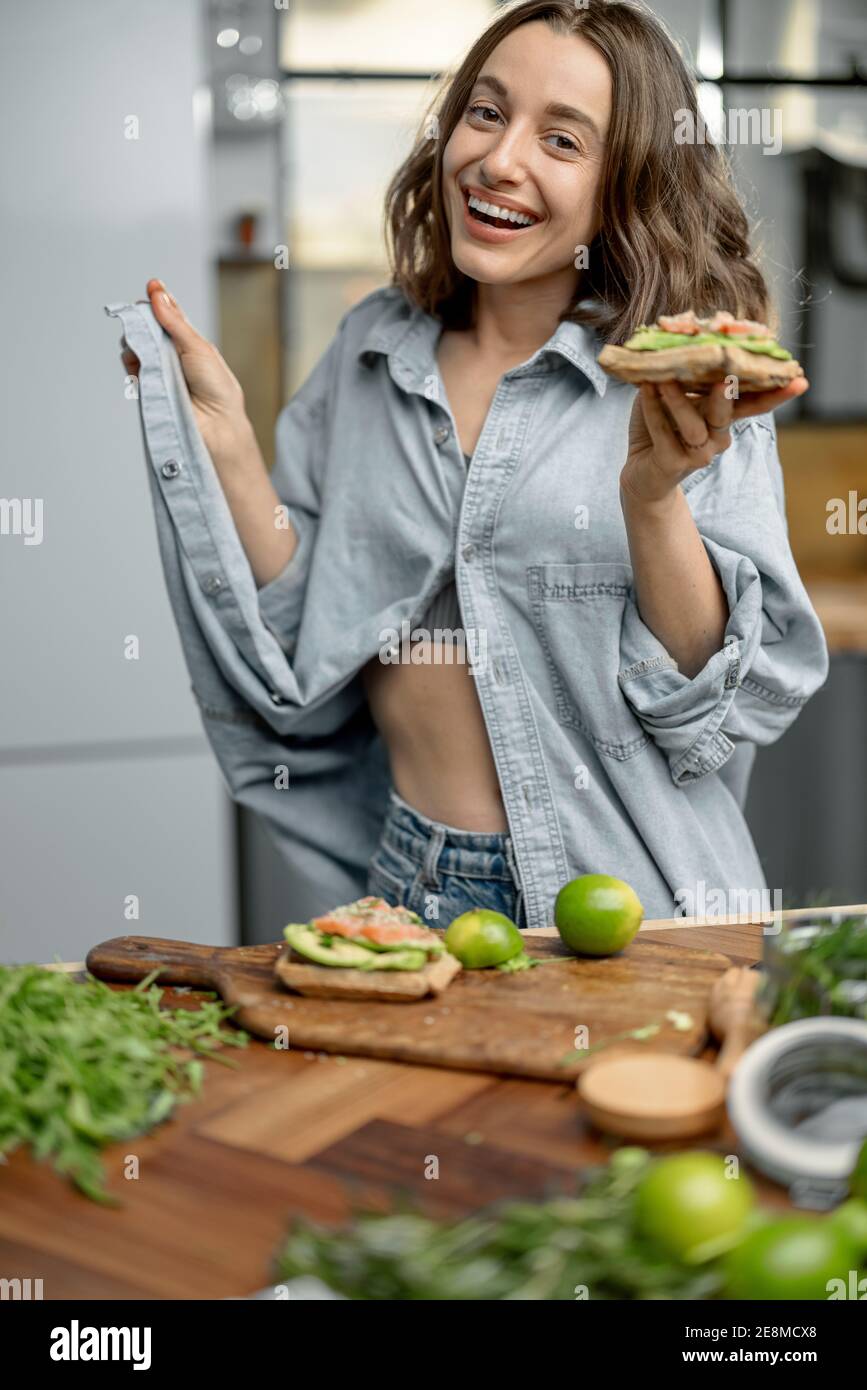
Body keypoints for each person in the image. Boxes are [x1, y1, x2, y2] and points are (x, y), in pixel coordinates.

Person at [119, 0, 828, 932]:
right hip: (405, 874)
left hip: (623, 898)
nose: (499, 159)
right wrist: (226, 438)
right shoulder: (372, 347)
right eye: (486, 112)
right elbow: (309, 620)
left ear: (627, 188)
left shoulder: (687, 384)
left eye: (563, 141)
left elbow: (712, 717)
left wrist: (650, 497)